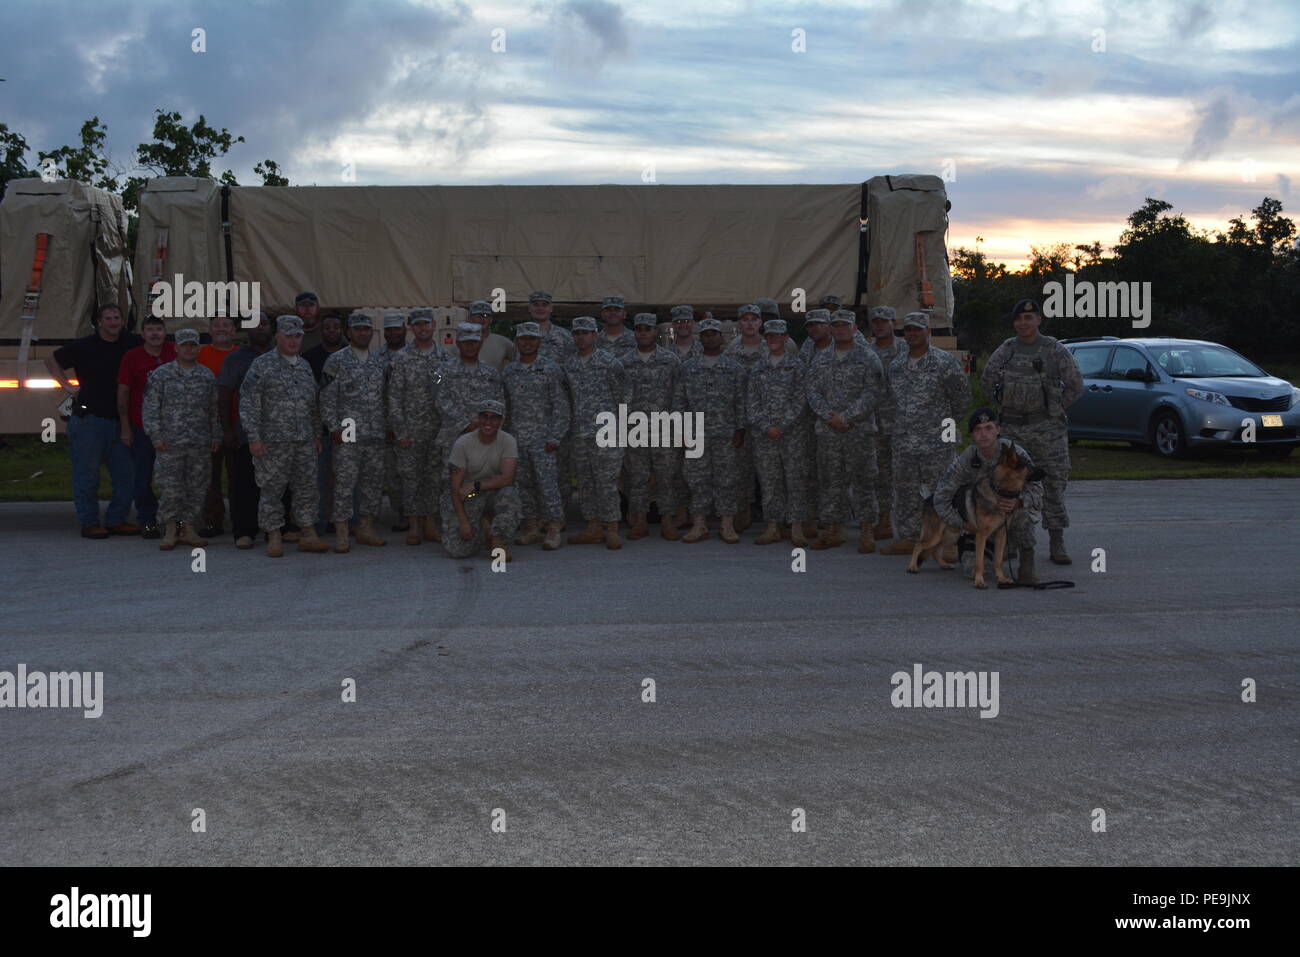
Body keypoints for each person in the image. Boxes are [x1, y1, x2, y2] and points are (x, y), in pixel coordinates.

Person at [980, 298, 1083, 565]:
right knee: (1010, 487)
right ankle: (1012, 541)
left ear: (1038, 320)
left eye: (1029, 318)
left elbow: (1075, 384)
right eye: (1019, 319)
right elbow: (987, 381)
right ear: (1014, 322)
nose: (1024, 323)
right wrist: (1000, 414)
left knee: (1054, 486)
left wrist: (1055, 408)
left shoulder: (1054, 350)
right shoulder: (1007, 350)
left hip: (1048, 431)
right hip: (1014, 431)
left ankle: (1057, 541)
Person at [45, 303, 142, 538]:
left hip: (120, 423)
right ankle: (89, 523)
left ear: (122, 321)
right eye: (107, 318)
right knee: (87, 477)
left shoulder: (130, 343)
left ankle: (116, 520)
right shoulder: (84, 346)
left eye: (117, 317)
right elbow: (51, 360)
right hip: (89, 421)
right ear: (99, 322)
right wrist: (67, 386)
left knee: (127, 476)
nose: (113, 322)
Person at [881, 312, 972, 556]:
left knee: (942, 492)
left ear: (928, 332)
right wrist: (894, 430)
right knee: (905, 491)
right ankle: (909, 537)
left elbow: (962, 399)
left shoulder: (944, 363)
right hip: (904, 441)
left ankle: (949, 540)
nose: (913, 334)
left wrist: (948, 430)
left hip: (936, 443)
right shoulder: (897, 365)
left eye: (918, 329)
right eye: (909, 330)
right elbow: (890, 401)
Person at [238, 315, 329, 557]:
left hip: (305, 441)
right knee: (272, 489)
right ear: (278, 336)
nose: (293, 340)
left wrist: (317, 433)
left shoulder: (304, 366)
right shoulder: (262, 365)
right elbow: (248, 403)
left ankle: (308, 532)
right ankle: (274, 535)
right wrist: (254, 437)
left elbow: (314, 404)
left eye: (297, 335)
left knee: (308, 488)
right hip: (273, 442)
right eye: (288, 335)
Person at [932, 408, 1044, 584]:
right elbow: (940, 497)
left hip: (1010, 520)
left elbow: (1037, 489)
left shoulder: (1015, 453)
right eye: (978, 429)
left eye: (988, 428)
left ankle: (1026, 563)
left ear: (998, 430)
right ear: (972, 435)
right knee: (971, 571)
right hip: (979, 525)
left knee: (1022, 515)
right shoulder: (967, 458)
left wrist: (1020, 502)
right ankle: (994, 552)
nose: (983, 434)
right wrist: (961, 523)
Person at [806, 309, 884, 552]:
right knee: (831, 480)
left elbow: (873, 393)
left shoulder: (868, 357)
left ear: (854, 328)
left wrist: (847, 417)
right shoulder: (820, 358)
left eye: (845, 325)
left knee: (864, 480)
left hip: (858, 430)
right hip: (829, 431)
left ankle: (867, 529)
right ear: (830, 329)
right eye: (836, 325)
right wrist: (830, 417)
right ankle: (833, 528)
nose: (840, 330)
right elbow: (812, 391)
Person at [142, 328, 221, 551]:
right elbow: (150, 408)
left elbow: (213, 410)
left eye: (193, 345)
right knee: (171, 487)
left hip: (200, 442)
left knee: (197, 487)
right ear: (176, 347)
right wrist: (155, 435)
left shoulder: (206, 376)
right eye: (184, 345)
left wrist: (216, 435)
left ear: (198, 348)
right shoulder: (161, 375)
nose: (189, 349)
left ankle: (188, 528)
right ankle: (170, 529)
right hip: (170, 442)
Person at [320, 313, 389, 552]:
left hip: (375, 432)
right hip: (347, 433)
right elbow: (327, 397)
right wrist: (332, 426)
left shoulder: (380, 360)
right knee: (345, 483)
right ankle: (342, 530)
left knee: (373, 483)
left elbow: (385, 396)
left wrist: (388, 425)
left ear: (372, 332)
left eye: (367, 329)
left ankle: (366, 527)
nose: (363, 333)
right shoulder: (336, 360)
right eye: (358, 329)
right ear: (349, 332)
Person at [675, 318, 746, 544]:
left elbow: (741, 402)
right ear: (700, 338)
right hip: (695, 435)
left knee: (726, 480)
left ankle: (726, 524)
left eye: (714, 334)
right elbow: (679, 402)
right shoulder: (688, 368)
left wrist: (740, 429)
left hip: (725, 434)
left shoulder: (734, 368)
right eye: (705, 334)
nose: (710, 338)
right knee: (697, 480)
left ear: (721, 338)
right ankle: (699, 524)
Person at [502, 322, 570, 550]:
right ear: (517, 342)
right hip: (517, 438)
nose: (527, 342)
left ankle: (553, 528)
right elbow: (507, 407)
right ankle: (531, 526)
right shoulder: (509, 371)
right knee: (524, 484)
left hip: (544, 438)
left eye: (532, 338)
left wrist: (555, 437)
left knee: (548, 484)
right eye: (523, 338)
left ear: (539, 342)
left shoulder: (551, 369)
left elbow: (561, 406)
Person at [746, 319, 810, 545]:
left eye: (778, 335)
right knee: (769, 481)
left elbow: (801, 400)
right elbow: (751, 403)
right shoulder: (757, 368)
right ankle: (773, 525)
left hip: (792, 434)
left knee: (795, 481)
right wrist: (766, 427)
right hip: (765, 436)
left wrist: (781, 426)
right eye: (769, 336)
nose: (773, 339)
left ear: (785, 338)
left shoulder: (797, 366)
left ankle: (796, 527)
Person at [564, 316, 627, 548]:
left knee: (607, 482)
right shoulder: (569, 365)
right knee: (586, 482)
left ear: (595, 335)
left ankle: (611, 527)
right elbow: (567, 399)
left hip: (606, 433)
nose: (581, 337)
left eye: (586, 333)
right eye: (577, 333)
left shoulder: (610, 363)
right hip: (580, 432)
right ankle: (593, 526)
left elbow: (623, 398)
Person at [620, 312, 683, 540]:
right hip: (634, 429)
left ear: (655, 332)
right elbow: (619, 398)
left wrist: (678, 426)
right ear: (634, 332)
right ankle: (640, 521)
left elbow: (678, 395)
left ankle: (667, 520)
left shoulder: (670, 360)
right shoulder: (624, 362)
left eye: (648, 329)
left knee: (666, 476)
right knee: (637, 477)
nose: (644, 333)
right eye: (639, 329)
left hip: (664, 428)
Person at [388, 309, 448, 545]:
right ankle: (414, 524)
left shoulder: (444, 358)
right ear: (411, 327)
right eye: (418, 324)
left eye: (426, 324)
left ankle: (431, 523)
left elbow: (448, 392)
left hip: (436, 430)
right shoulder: (402, 358)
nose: (423, 328)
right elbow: (394, 397)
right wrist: (400, 431)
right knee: (410, 478)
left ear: (434, 325)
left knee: (433, 478)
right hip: (410, 430)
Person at [116, 314, 177, 539]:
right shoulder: (132, 357)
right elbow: (123, 391)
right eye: (150, 330)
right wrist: (125, 427)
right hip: (142, 427)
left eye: (158, 329)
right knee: (142, 477)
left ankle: (175, 521)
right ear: (142, 334)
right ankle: (148, 520)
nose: (154, 334)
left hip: (173, 427)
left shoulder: (175, 352)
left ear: (165, 332)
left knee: (174, 478)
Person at [216, 312, 273, 549]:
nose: (260, 328)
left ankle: (274, 528)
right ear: (246, 330)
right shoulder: (236, 359)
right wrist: (227, 431)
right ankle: (244, 531)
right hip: (245, 434)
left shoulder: (281, 356)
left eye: (264, 324)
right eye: (255, 325)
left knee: (275, 484)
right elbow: (224, 395)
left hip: (277, 435)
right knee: (243, 485)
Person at [442, 400, 522, 560]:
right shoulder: (463, 443)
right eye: (484, 416)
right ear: (478, 418)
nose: (488, 422)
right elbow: (455, 487)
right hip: (469, 495)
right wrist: (463, 521)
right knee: (457, 550)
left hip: (492, 491)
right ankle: (483, 525)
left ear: (501, 420)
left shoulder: (508, 441)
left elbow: (507, 479)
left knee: (510, 494)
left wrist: (477, 485)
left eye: (494, 418)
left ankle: (498, 540)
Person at [723, 304, 769, 532]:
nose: (749, 323)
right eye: (745, 319)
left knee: (770, 470)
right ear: (738, 324)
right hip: (740, 420)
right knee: (740, 469)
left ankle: (774, 518)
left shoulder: (774, 347)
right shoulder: (730, 351)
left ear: (760, 322)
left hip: (768, 420)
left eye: (754, 319)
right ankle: (744, 512)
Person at [303, 313, 349, 534]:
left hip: (348, 427)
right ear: (321, 331)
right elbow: (310, 396)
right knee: (319, 478)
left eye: (335, 327)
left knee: (345, 477)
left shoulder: (352, 355)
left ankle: (344, 520)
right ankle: (320, 520)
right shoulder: (309, 358)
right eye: (327, 328)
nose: (331, 331)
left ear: (342, 331)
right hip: (320, 427)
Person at [867, 306, 909, 542]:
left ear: (894, 323)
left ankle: (909, 526)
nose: (880, 325)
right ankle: (883, 520)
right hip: (875, 423)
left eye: (885, 321)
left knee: (904, 475)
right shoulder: (866, 352)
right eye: (876, 321)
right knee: (880, 473)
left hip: (901, 423)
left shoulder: (905, 350)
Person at [197, 314, 238, 538]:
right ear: (210, 330)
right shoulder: (199, 354)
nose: (222, 329)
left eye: (226, 325)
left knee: (237, 476)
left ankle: (241, 519)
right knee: (209, 477)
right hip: (207, 427)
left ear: (234, 330)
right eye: (217, 325)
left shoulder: (241, 355)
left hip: (236, 425)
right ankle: (213, 520)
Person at [380, 311, 410, 530]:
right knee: (393, 474)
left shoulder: (417, 354)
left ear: (404, 330)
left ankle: (420, 515)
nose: (393, 333)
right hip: (386, 426)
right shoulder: (375, 358)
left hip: (415, 424)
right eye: (389, 329)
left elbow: (439, 378)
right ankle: (402, 513)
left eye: (396, 328)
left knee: (414, 472)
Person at [525, 290, 574, 364]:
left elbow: (572, 364)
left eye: (544, 305)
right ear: (529, 308)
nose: (540, 308)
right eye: (536, 305)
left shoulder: (565, 336)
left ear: (551, 308)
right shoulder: (522, 336)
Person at [467, 300, 518, 370]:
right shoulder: (461, 343)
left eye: (485, 315)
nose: (482, 319)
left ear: (491, 319)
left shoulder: (503, 342)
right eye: (477, 315)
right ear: (470, 319)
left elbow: (522, 361)